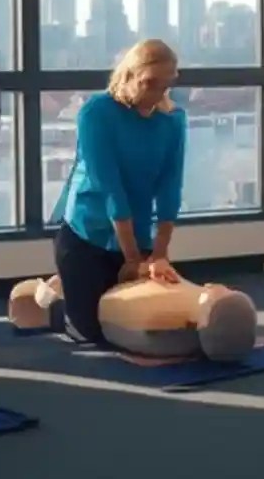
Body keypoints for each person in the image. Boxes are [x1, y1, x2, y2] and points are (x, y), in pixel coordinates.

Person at [51, 39, 188, 344]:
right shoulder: (96, 113)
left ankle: (70, 289)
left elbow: (170, 187)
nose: (157, 94)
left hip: (136, 236)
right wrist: (132, 259)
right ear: (130, 75)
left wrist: (159, 255)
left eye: (165, 86)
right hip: (88, 235)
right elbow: (110, 189)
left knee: (149, 324)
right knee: (93, 333)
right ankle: (55, 298)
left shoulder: (172, 120)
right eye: (150, 84)